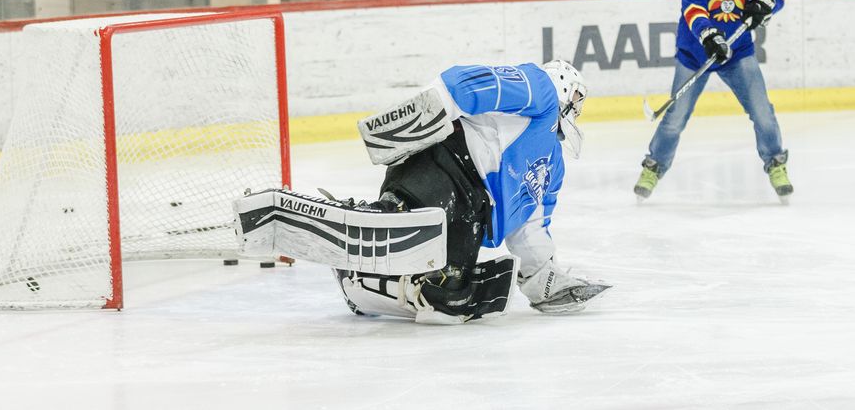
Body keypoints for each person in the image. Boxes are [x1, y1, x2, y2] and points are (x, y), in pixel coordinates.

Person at [236, 60, 610, 325]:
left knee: (450, 299)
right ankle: (388, 212)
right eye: (576, 96)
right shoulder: (541, 91)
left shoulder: (554, 168)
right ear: (564, 85)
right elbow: (472, 83)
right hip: (444, 164)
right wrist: (432, 108)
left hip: (472, 212)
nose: (577, 106)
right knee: (410, 214)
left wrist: (544, 278)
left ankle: (362, 284)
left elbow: (529, 227)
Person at [634, 0, 793, 202]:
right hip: (696, 55)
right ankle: (653, 167)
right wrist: (710, 37)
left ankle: (775, 163)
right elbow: (693, 11)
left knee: (762, 112)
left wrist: (766, 3)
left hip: (738, 53)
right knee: (674, 119)